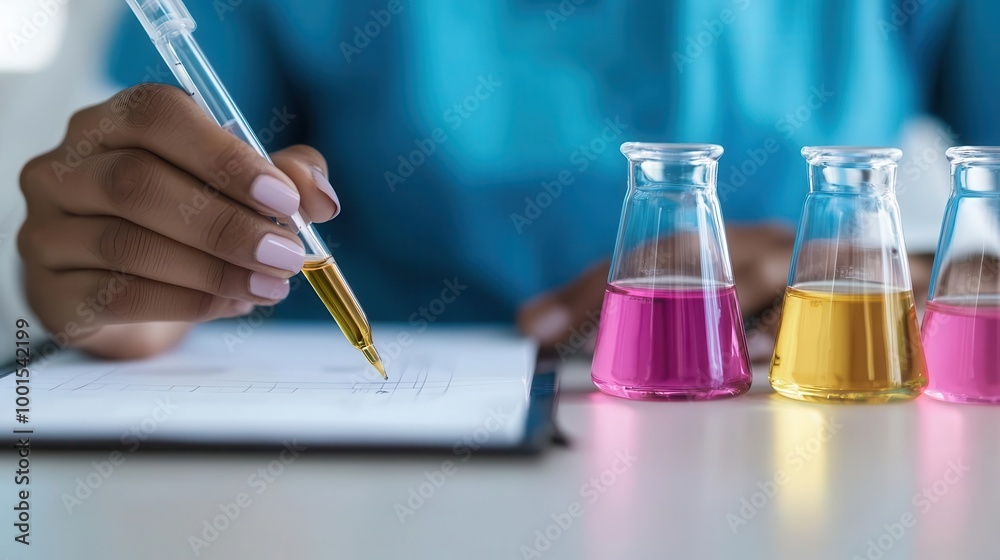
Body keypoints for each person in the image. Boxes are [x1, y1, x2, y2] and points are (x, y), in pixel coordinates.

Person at [5, 0, 999, 363]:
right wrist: (118, 278)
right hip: (353, 481)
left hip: (781, 446)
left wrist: (919, 285)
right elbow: (154, 176)